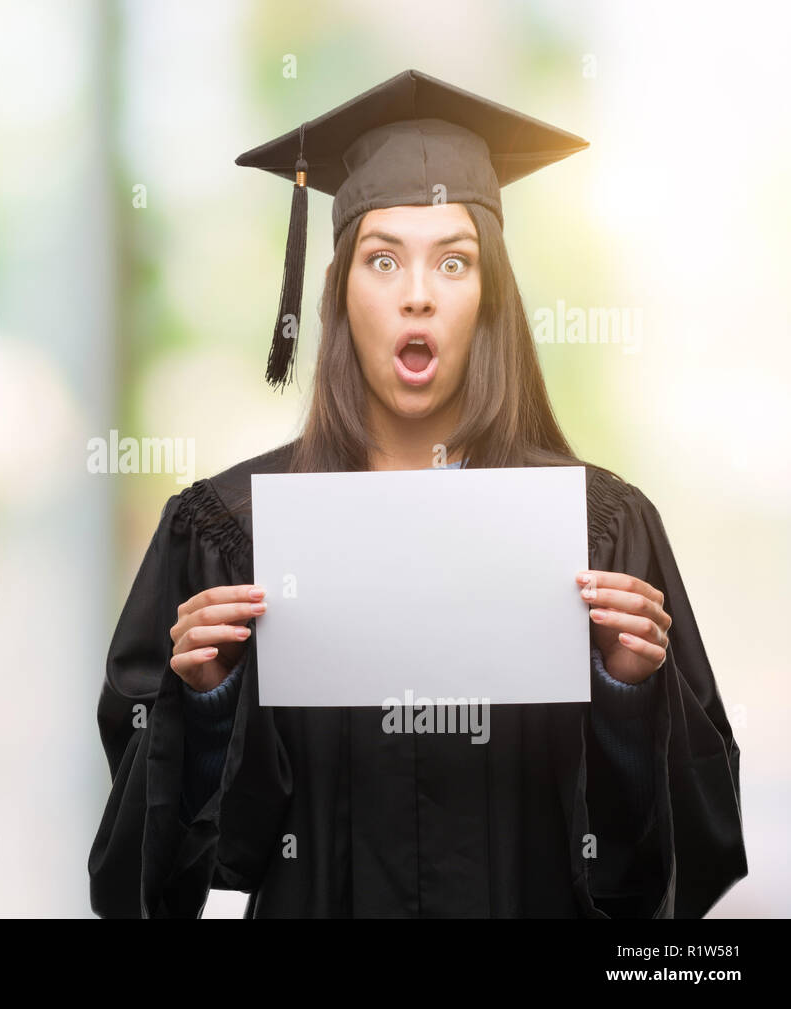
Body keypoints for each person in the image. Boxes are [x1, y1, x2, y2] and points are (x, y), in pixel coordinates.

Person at [87, 69, 746, 918]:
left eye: (456, 260)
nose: (418, 293)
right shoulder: (229, 532)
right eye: (383, 258)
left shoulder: (599, 528)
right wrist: (209, 702)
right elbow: (147, 880)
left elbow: (686, 865)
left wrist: (625, 692)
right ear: (338, 292)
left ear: (490, 298)